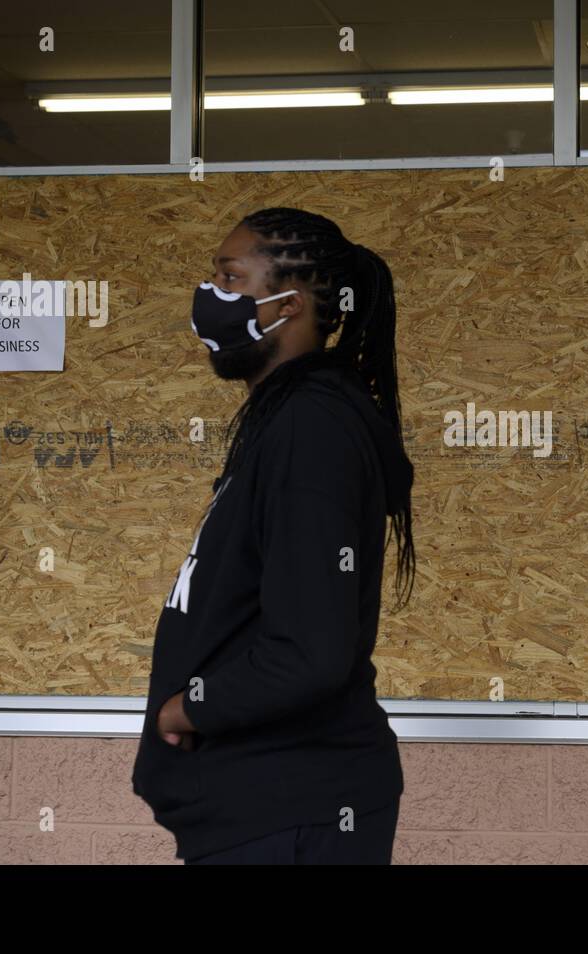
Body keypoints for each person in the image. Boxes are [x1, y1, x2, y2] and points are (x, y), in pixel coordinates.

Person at [131, 207, 415, 864]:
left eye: (230, 278)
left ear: (287, 305)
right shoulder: (284, 420)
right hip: (260, 812)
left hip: (288, 810)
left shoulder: (312, 429)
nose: (209, 297)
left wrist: (185, 710)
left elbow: (310, 653)